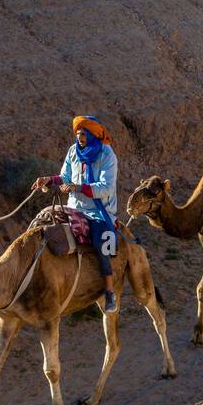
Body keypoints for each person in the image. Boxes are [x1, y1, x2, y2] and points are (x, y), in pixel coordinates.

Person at [34, 116, 120, 312]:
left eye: (84, 134)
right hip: (74, 206)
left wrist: (79, 187)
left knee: (100, 244)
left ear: (92, 134)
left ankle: (109, 292)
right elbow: (65, 177)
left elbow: (106, 187)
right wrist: (48, 180)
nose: (80, 137)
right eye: (78, 134)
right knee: (45, 225)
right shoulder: (73, 151)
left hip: (99, 210)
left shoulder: (107, 155)